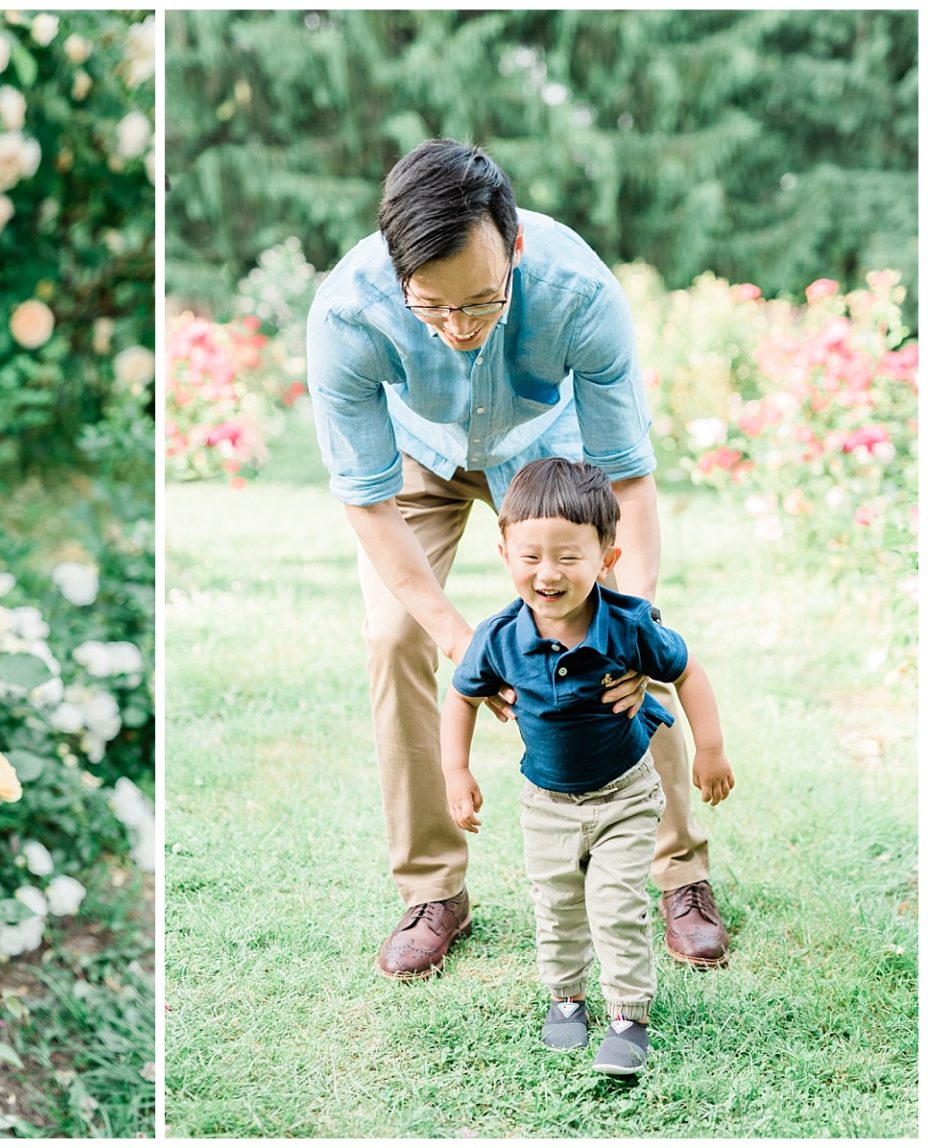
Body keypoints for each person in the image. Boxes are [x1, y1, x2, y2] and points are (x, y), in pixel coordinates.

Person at [305, 137, 732, 980]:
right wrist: (464, 642)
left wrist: (630, 629)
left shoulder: (580, 295)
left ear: (517, 249)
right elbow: (365, 497)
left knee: (627, 636)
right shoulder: (347, 317)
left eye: (481, 303)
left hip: (547, 456)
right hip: (416, 455)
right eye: (432, 309)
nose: (459, 330)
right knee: (395, 635)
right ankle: (433, 889)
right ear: (396, 273)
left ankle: (680, 871)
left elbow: (631, 484)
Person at [441, 458, 734, 1075]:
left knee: (615, 902)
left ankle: (628, 1016)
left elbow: (687, 672)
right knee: (556, 903)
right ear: (504, 552)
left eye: (568, 556)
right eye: (530, 555)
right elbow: (461, 697)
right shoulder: (496, 637)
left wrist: (709, 749)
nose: (547, 573)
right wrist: (455, 771)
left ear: (606, 557)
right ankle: (566, 1000)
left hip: (625, 794)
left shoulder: (628, 625)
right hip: (545, 801)